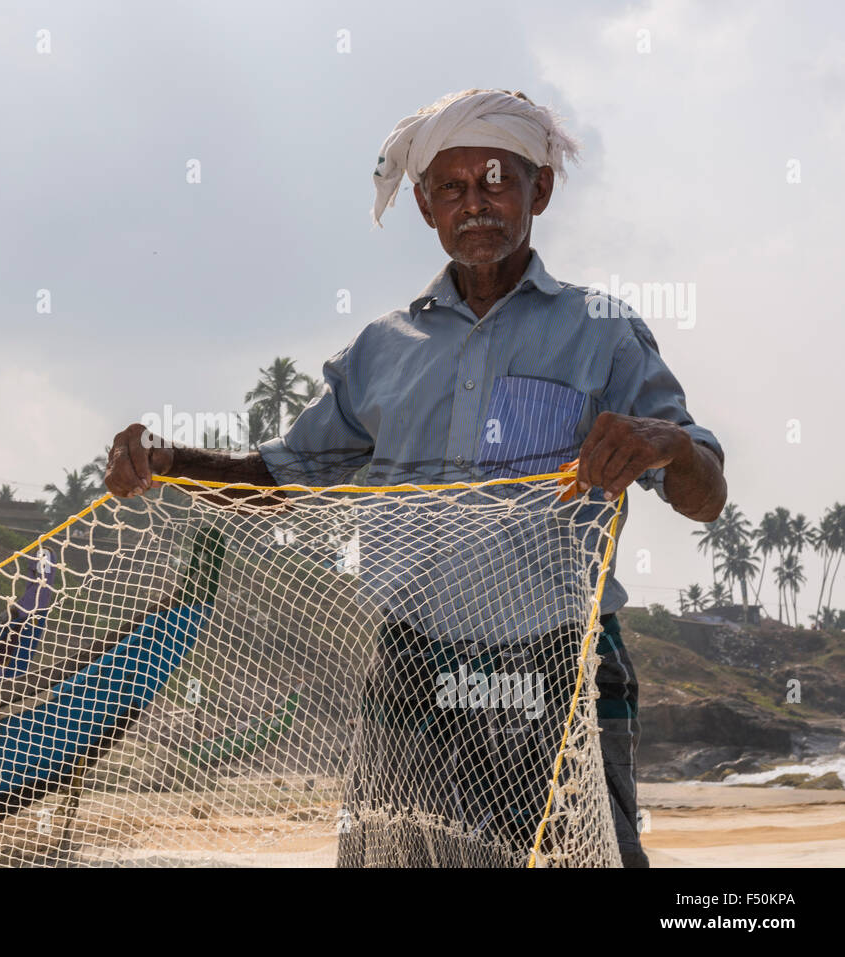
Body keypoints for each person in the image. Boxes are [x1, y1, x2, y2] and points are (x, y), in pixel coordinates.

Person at [103, 88, 726, 867]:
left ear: (541, 189)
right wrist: (168, 462)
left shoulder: (602, 332)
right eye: (452, 190)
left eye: (496, 181)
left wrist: (664, 440)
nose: (476, 205)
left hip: (557, 667)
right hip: (408, 670)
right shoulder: (383, 348)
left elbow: (706, 496)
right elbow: (278, 479)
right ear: (426, 207)